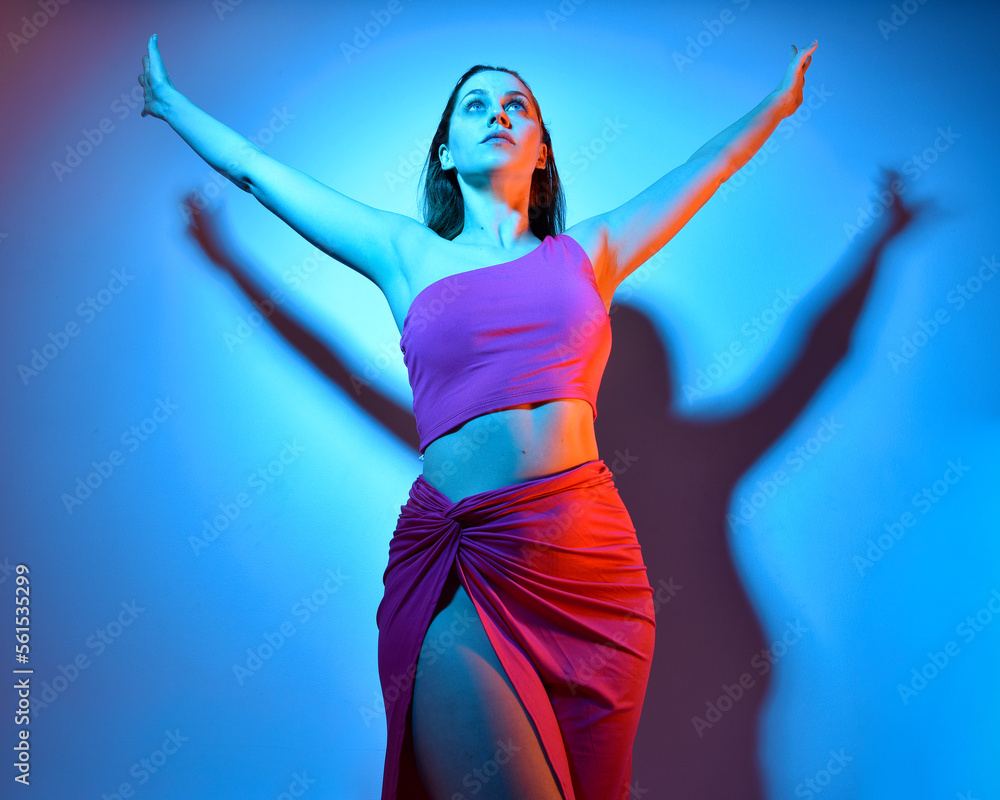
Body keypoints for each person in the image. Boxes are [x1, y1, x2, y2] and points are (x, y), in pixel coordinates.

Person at [140, 35, 817, 800]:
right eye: (475, 104)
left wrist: (778, 105)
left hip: (595, 578)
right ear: (445, 153)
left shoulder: (589, 252)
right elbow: (259, 174)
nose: (497, 113)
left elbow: (707, 174)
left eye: (515, 104)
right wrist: (170, 106)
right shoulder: (405, 252)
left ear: (541, 148)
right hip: (463, 569)